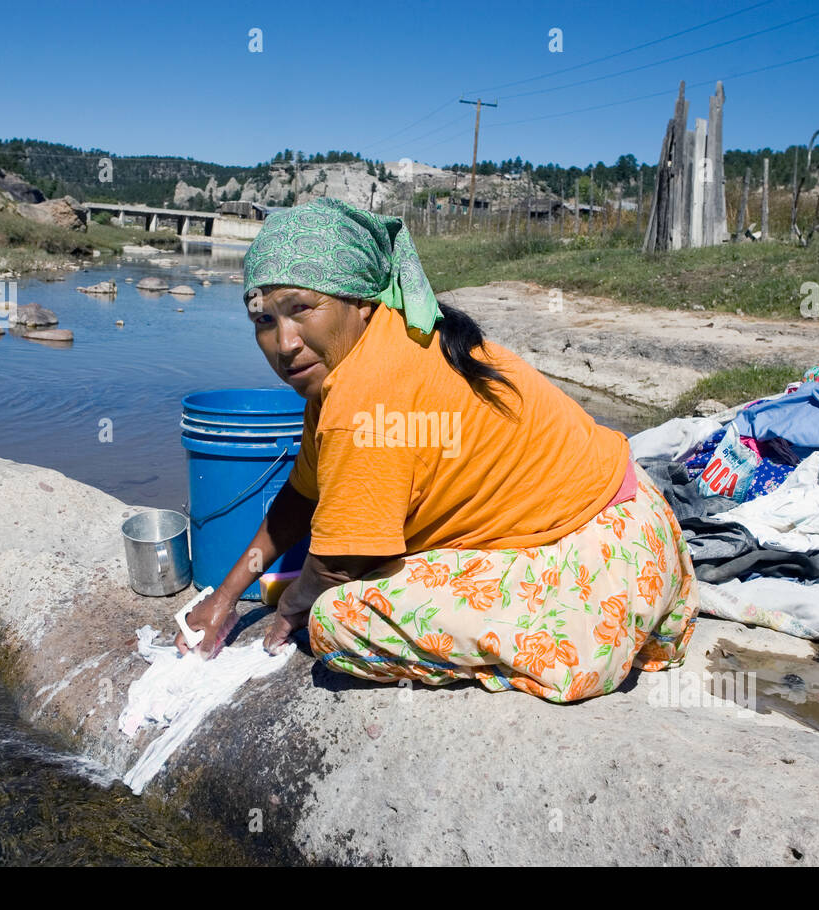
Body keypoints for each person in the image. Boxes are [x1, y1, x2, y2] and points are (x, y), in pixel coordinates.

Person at [176, 198, 698, 703]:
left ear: (359, 302)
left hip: (601, 559)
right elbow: (301, 497)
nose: (284, 342)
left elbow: (337, 564)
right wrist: (224, 597)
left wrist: (292, 606)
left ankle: (572, 640)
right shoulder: (371, 346)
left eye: (302, 309)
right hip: (636, 516)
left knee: (336, 619)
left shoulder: (367, 388)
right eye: (264, 320)